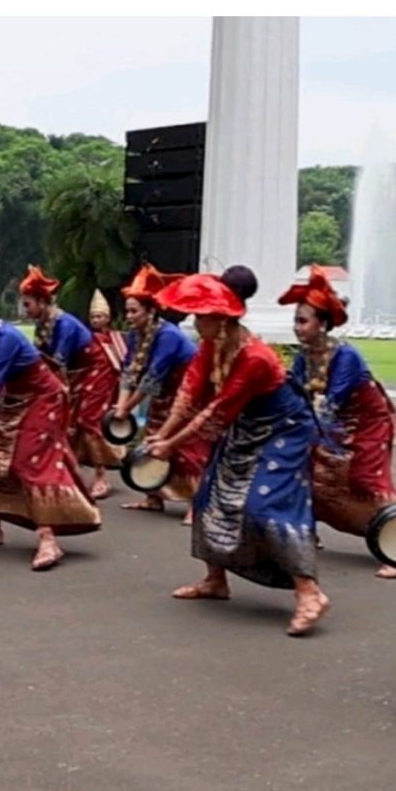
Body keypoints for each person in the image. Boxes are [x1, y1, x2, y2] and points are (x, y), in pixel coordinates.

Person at [142, 272, 330, 636]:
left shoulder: (255, 357)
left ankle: (309, 592)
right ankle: (215, 580)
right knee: (210, 494)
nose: (196, 323)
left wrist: (170, 445)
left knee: (266, 504)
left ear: (222, 318)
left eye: (201, 317)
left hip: (284, 428)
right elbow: (188, 393)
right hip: (246, 423)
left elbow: (216, 412)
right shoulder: (210, 346)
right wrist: (160, 436)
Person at [0, 273, 99, 572]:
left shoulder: (5, 337)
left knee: (28, 462)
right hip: (15, 399)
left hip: (43, 399)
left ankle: (48, 539)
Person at [279, 270, 396, 577]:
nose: (297, 328)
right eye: (296, 320)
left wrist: (299, 431)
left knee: (365, 479)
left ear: (322, 324)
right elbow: (295, 394)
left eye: (303, 321)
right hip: (332, 422)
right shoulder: (304, 356)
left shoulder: (346, 356)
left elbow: (330, 404)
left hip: (367, 422)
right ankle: (307, 530)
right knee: (310, 471)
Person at [109, 264, 203, 513]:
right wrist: (121, 407)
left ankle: (195, 504)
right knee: (152, 436)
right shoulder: (136, 336)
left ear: (150, 311)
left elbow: (151, 379)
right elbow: (129, 373)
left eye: (133, 311)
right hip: (166, 392)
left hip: (188, 391)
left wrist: (126, 408)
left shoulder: (168, 336)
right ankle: (153, 496)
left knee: (185, 444)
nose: (128, 317)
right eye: (127, 311)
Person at [16, 266, 104, 498]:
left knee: (87, 421)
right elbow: (39, 356)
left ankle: (101, 477)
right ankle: (69, 474)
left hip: (94, 369)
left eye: (28, 304)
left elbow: (57, 361)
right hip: (70, 372)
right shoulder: (43, 323)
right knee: (66, 422)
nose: (25, 310)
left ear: (42, 302)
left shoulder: (63, 323)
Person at [72, 287, 130, 501]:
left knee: (93, 426)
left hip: (105, 392)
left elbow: (123, 367)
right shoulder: (86, 339)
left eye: (100, 316)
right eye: (93, 317)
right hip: (85, 390)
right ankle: (76, 475)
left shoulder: (116, 340)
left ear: (108, 318)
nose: (96, 320)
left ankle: (100, 476)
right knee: (77, 426)